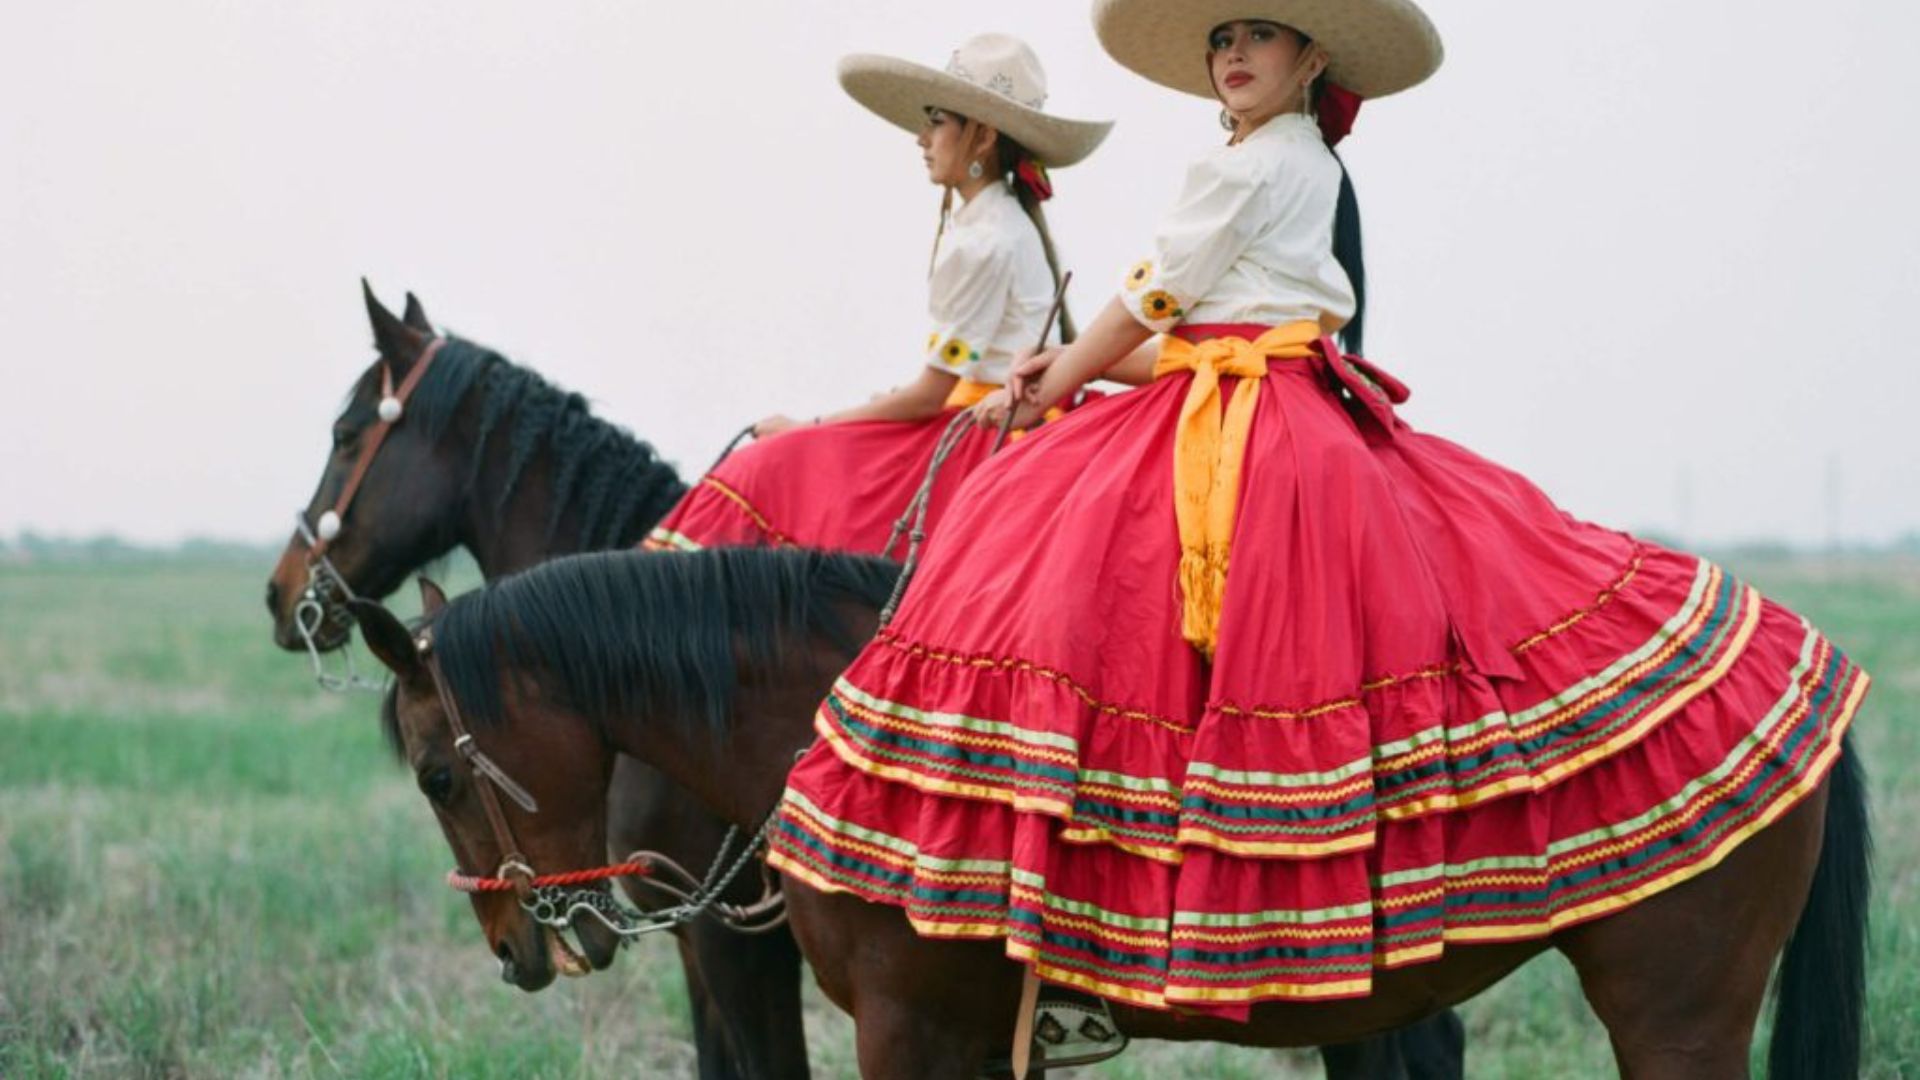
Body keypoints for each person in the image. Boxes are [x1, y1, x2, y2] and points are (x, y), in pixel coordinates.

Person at [768, 0, 1869, 1030]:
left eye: (1262, 35)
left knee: (1079, 575)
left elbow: (1156, 289)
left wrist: (1058, 385)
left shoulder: (1251, 161)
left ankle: (1088, 906)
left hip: (1263, 428)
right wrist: (1083, 366)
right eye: (1223, 37)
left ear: (1313, 61)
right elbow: (1210, 327)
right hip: (1252, 394)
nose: (1233, 53)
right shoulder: (1286, 160)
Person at [645, 33, 1110, 553]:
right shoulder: (1002, 225)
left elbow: (929, 394)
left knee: (765, 466)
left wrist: (809, 425)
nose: (921, 137)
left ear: (980, 138)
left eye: (936, 120)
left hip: (982, 432)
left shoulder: (983, 240)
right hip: (994, 417)